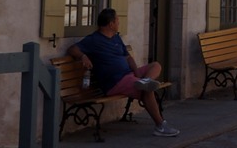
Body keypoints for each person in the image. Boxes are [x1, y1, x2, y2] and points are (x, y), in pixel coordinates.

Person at [68, 8, 178, 137]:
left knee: (155, 65)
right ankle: (160, 126)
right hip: (115, 81)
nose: (119, 23)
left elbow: (128, 58)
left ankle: (145, 81)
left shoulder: (116, 38)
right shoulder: (93, 40)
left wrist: (137, 73)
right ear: (111, 24)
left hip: (129, 75)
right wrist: (83, 57)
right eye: (117, 21)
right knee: (147, 90)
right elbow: (72, 49)